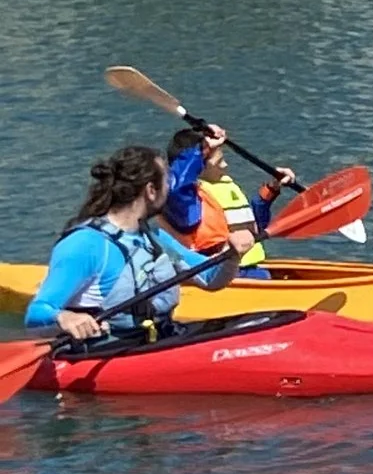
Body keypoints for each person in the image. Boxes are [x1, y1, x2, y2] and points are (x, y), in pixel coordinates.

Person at [27, 143, 235, 341]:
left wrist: (233, 254)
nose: (170, 189)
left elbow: (211, 279)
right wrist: (64, 318)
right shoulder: (86, 244)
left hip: (160, 338)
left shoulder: (154, 238)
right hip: (109, 349)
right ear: (150, 190)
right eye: (166, 182)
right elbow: (37, 312)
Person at [164, 121, 280, 274]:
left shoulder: (226, 184)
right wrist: (202, 149)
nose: (225, 165)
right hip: (221, 274)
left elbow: (254, 228)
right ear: (199, 166)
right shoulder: (189, 199)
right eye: (218, 161)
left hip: (253, 268)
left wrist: (270, 191)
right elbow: (178, 186)